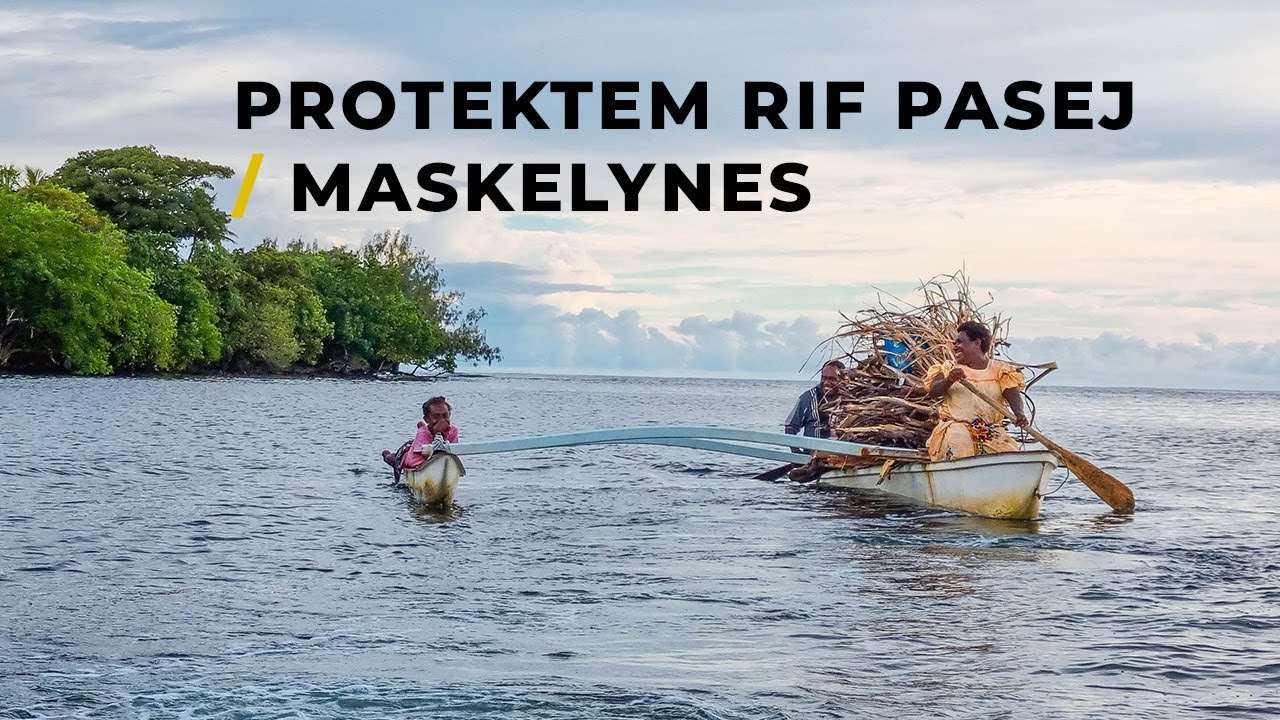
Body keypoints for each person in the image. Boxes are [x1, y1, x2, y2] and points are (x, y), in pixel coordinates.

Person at [919, 321, 1029, 461]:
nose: (955, 347)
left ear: (977, 343)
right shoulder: (949, 368)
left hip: (989, 430)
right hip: (957, 428)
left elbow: (1012, 393)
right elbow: (933, 392)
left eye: (960, 342)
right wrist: (950, 380)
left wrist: (1019, 413)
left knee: (1012, 457)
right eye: (954, 343)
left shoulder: (1000, 370)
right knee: (961, 452)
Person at [382, 396, 461, 481]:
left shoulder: (453, 431)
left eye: (445, 415)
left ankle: (421, 426)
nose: (442, 420)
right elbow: (426, 457)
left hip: (422, 446)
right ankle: (386, 454)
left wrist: (443, 434)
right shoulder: (423, 433)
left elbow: (452, 454)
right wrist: (437, 432)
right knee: (393, 459)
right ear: (426, 419)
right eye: (436, 416)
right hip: (409, 456)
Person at [784, 359, 845, 453]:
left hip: (843, 457)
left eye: (832, 379)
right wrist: (796, 452)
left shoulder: (851, 399)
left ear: (843, 379)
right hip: (813, 456)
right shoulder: (808, 398)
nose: (826, 382)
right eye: (823, 378)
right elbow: (791, 426)